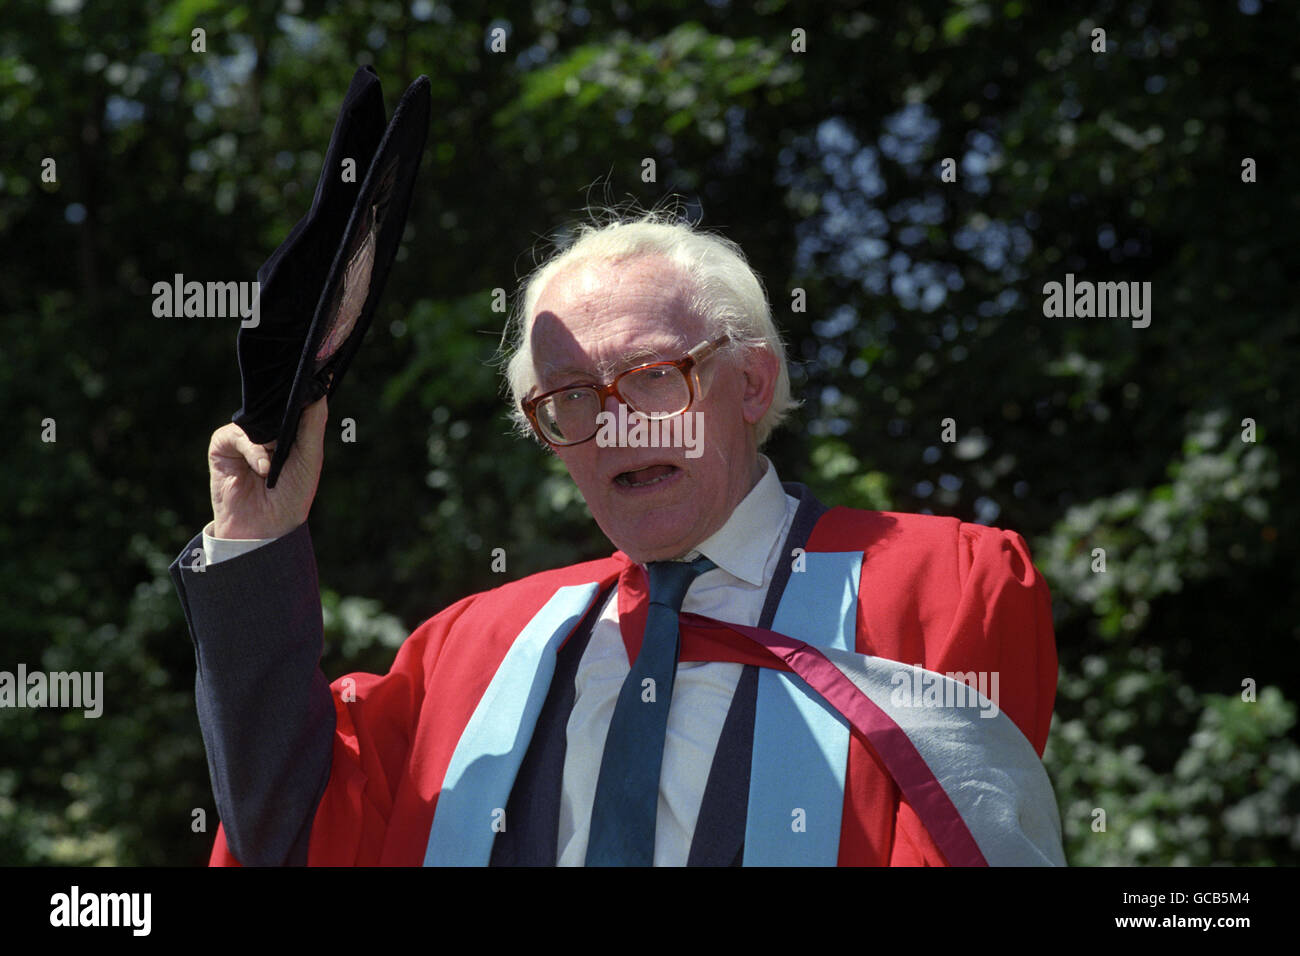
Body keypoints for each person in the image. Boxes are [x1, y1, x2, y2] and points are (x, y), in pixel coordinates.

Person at [170, 212, 1064, 866]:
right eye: (571, 400)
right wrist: (259, 540)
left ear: (751, 384)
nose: (616, 429)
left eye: (651, 379)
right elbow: (289, 831)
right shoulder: (468, 650)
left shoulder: (938, 583)